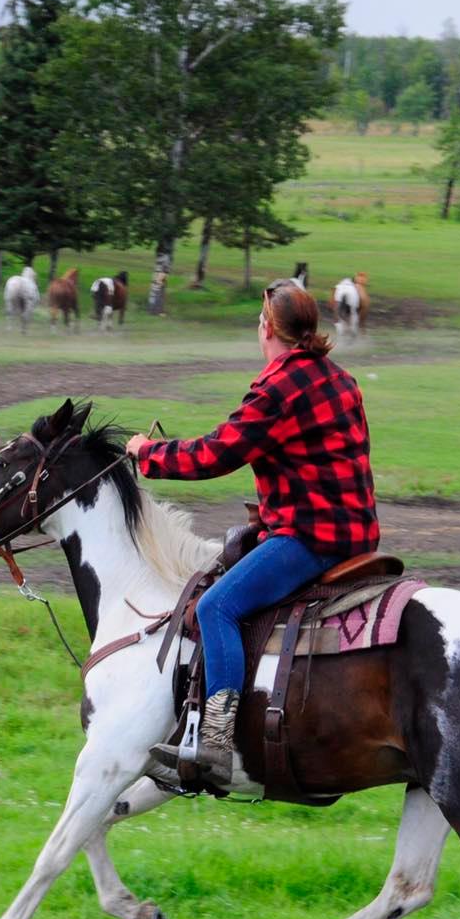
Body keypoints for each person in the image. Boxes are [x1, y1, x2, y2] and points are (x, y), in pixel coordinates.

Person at [122, 280, 378, 792]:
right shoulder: (342, 379)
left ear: (267, 328)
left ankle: (215, 745)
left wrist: (147, 452)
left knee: (217, 608)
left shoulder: (277, 387)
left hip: (310, 537)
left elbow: (216, 453)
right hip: (359, 534)